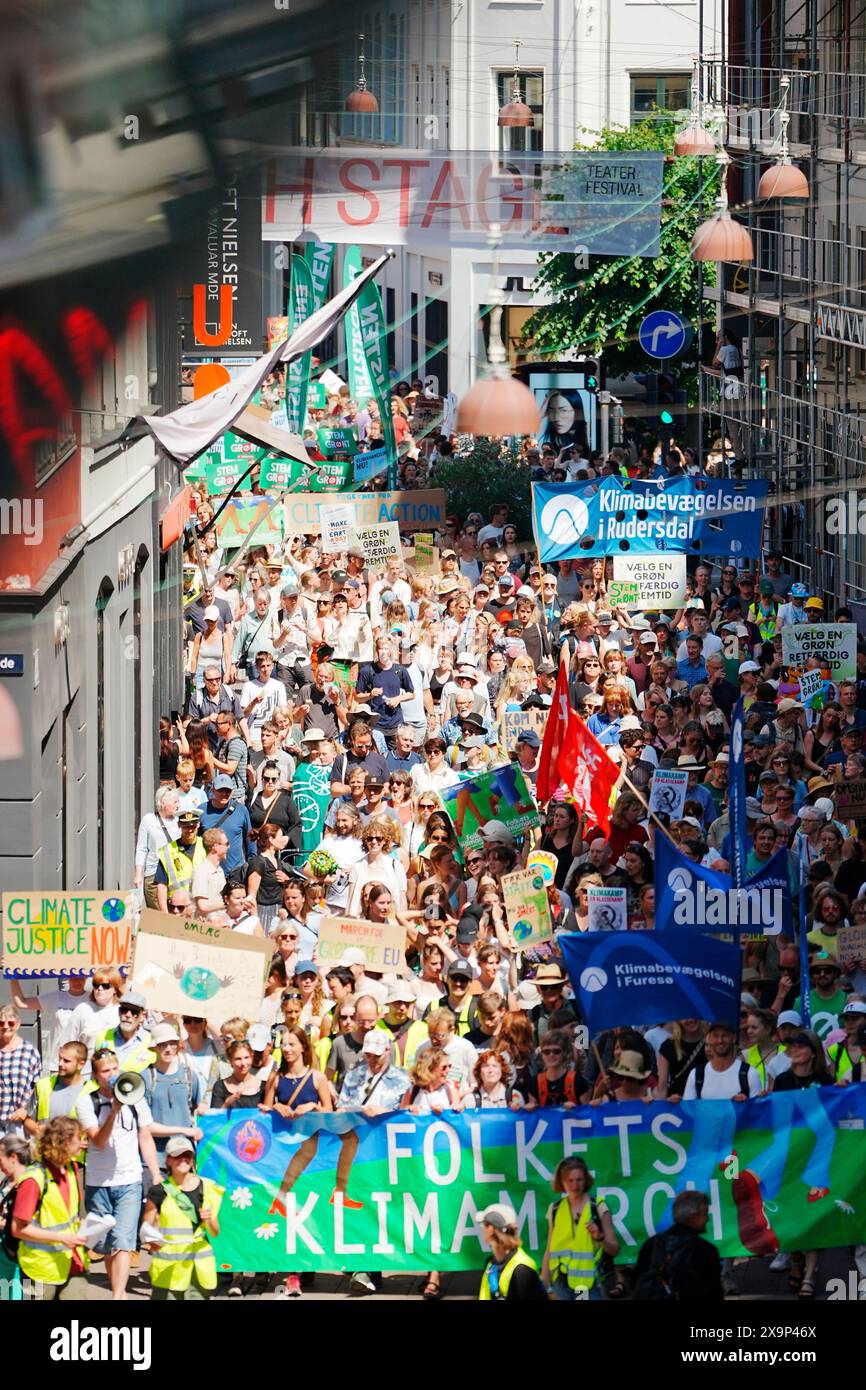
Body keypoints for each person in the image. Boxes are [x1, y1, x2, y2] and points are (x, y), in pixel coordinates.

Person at [77, 1046, 161, 1300]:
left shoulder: (136, 1097)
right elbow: (99, 1141)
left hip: (130, 1180)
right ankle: (119, 1290)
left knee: (124, 1239)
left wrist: (155, 1173)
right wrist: (112, 1111)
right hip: (98, 1182)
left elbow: (145, 1136)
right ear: (95, 1075)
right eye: (106, 1071)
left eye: (115, 1069)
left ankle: (118, 1295)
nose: (112, 1074)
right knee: (105, 1245)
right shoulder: (86, 1102)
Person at [11, 1117, 90, 1302]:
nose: (83, 1143)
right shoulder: (34, 1179)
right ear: (63, 1141)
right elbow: (18, 1229)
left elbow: (71, 1215)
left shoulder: (72, 1168)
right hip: (41, 1270)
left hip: (72, 1262)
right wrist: (63, 1237)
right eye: (79, 1138)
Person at [142, 1134, 222, 1301]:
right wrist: (152, 1241)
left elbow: (215, 1232)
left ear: (192, 1159)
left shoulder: (207, 1187)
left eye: (187, 1155)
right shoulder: (158, 1191)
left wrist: (208, 1219)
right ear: (168, 1160)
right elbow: (146, 1228)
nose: (183, 1160)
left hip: (197, 1267)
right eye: (177, 1156)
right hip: (169, 1268)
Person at [540, 1157, 619, 1300]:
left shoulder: (599, 1207)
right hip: (561, 1285)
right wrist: (543, 1285)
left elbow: (614, 1249)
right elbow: (549, 1250)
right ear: (562, 1182)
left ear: (586, 1180)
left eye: (579, 1180)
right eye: (570, 1180)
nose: (575, 1185)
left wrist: (600, 1238)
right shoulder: (555, 1209)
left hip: (590, 1285)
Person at [633, 1190, 724, 1301]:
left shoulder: (651, 1245)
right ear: (693, 1216)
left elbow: (637, 1283)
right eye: (705, 1213)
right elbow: (714, 1293)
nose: (707, 1219)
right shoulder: (705, 1250)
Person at [141, 1024, 204, 1174]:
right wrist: (184, 1130)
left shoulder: (189, 1076)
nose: (168, 1049)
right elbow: (145, 1126)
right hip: (156, 1161)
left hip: (185, 1159)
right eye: (163, 1044)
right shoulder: (145, 1078)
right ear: (155, 1047)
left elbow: (198, 1110)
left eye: (172, 1044)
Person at [477, 1202, 547, 1301]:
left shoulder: (522, 1270)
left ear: (491, 1228)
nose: (482, 1229)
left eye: (484, 1224)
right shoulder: (491, 1264)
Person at [0, 1005, 41, 1136]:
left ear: (17, 1024)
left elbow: (36, 1086)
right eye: (1, 1022)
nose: (6, 1026)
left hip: (19, 1121)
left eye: (10, 1023)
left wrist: (26, 1110)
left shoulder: (29, 1052)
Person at [0, 1134, 30, 1301]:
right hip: (5, 1253)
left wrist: (3, 1223)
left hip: (23, 1255)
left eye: (0, 1159)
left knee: (22, 1295)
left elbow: (29, 1223)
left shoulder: (29, 1184)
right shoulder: (5, 1181)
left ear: (13, 1157)